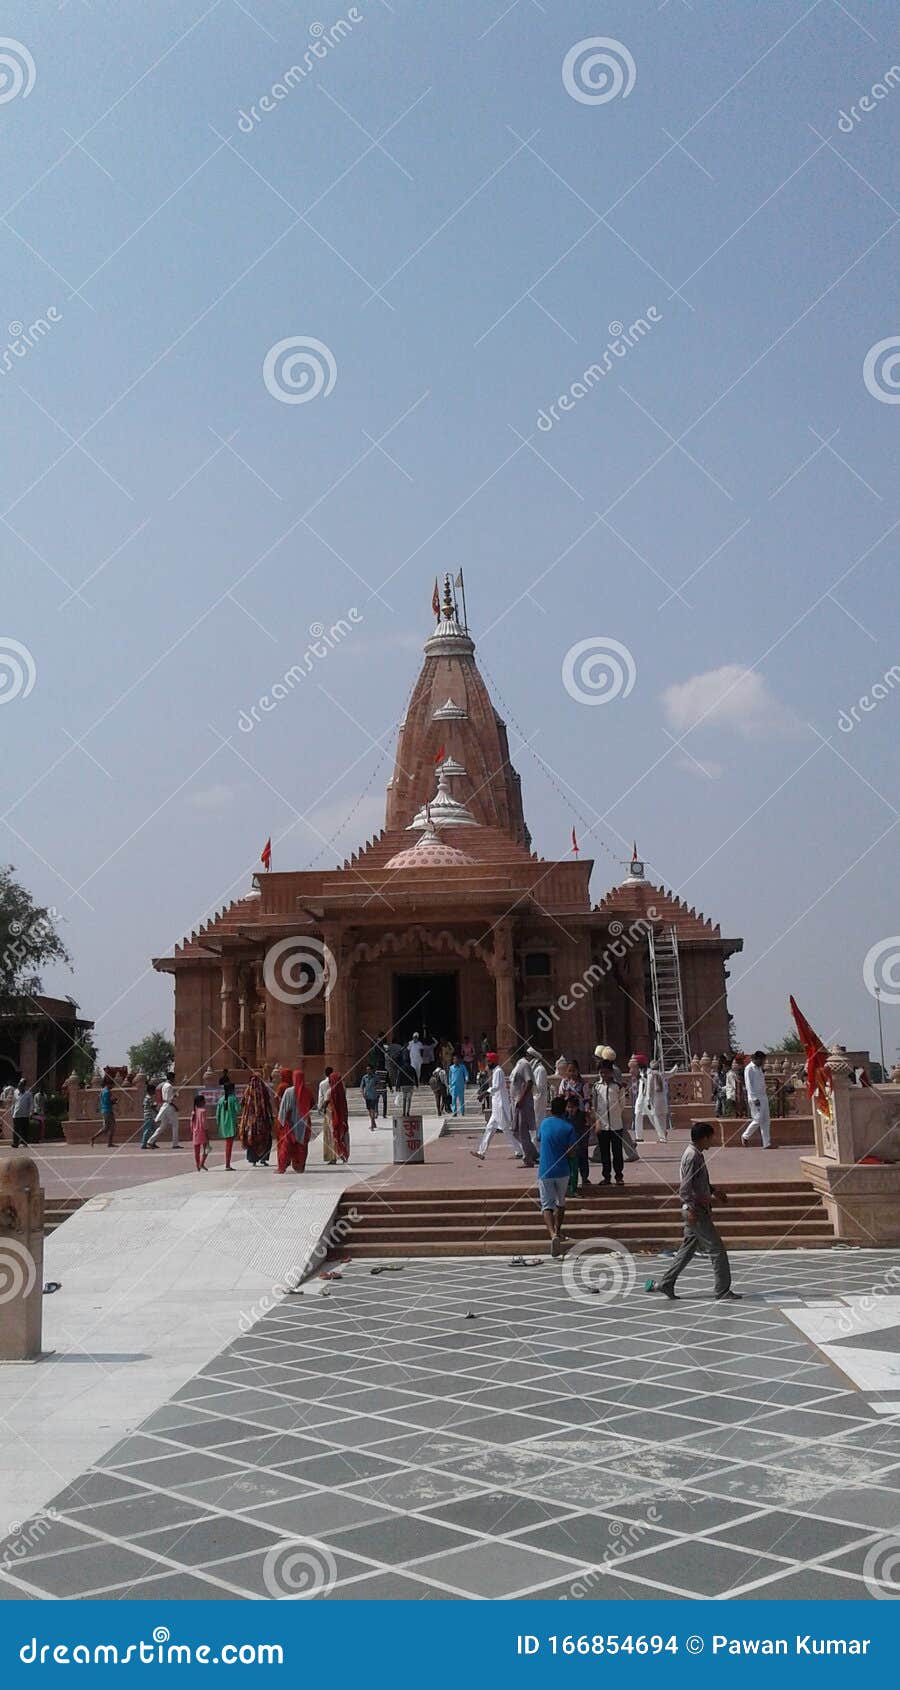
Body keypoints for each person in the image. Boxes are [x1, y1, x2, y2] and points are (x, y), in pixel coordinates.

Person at [646, 1122, 740, 1301]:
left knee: (687, 1249)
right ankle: (722, 1290)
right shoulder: (692, 1156)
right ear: (704, 1138)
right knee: (716, 1249)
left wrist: (713, 1191)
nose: (711, 1142)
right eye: (710, 1138)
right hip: (696, 1211)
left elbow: (699, 1181)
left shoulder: (696, 1154)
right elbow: (685, 1187)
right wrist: (689, 1206)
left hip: (698, 1208)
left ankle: (666, 1283)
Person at [536, 1097, 578, 1257]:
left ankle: (552, 1234)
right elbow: (572, 1151)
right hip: (563, 1170)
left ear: (551, 1109)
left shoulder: (545, 1123)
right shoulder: (568, 1127)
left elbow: (539, 1138)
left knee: (546, 1204)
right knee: (561, 1202)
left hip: (545, 1170)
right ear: (564, 1110)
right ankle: (558, 1230)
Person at [471, 1053, 522, 1161]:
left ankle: (520, 1151)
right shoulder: (495, 1072)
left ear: (493, 1061)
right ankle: (481, 1152)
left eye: (489, 1061)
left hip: (500, 1106)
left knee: (506, 1129)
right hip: (496, 1106)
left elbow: (496, 1087)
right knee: (490, 1128)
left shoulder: (498, 1071)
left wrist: (484, 1093)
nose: (487, 1063)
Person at [593, 1058, 626, 1185]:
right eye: (601, 1073)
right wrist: (597, 1121)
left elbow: (622, 1104)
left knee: (617, 1152)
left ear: (611, 1072)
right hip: (603, 1125)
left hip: (616, 1124)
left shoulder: (617, 1087)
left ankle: (619, 1176)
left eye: (606, 1072)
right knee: (604, 1152)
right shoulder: (597, 1087)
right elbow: (595, 1105)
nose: (604, 1075)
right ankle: (606, 1176)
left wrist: (615, 1114)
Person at [277, 1068, 312, 1173]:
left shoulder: (289, 1091)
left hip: (290, 1123)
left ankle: (282, 1167)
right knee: (302, 1146)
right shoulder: (307, 1091)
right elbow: (311, 1105)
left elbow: (283, 1108)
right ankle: (300, 1166)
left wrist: (282, 1122)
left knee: (286, 1146)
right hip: (304, 1123)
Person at [509, 1049, 538, 1166]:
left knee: (522, 1131)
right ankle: (533, 1153)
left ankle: (528, 1159)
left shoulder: (524, 1064)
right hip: (516, 1103)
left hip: (523, 1103)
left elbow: (529, 1082)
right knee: (516, 1131)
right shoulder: (517, 1066)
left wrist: (521, 1098)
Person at [239, 1073, 273, 1166]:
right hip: (262, 1120)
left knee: (251, 1139)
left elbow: (242, 1103)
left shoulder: (247, 1090)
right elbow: (267, 1104)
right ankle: (263, 1159)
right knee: (265, 1138)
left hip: (250, 1122)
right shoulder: (263, 1089)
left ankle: (253, 1160)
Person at [742, 1050, 771, 1148]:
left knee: (766, 1120)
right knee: (758, 1119)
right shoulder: (749, 1068)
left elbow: (760, 1083)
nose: (763, 1062)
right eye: (762, 1060)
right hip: (755, 1097)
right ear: (756, 1059)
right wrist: (754, 1098)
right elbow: (749, 1085)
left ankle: (767, 1143)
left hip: (763, 1096)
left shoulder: (759, 1069)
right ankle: (745, 1136)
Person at [635, 1060, 668, 1145]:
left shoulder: (651, 1073)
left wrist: (648, 1099)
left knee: (655, 1117)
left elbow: (649, 1087)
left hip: (650, 1099)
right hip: (643, 1098)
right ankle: (639, 1136)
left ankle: (662, 1134)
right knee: (638, 1114)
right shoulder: (640, 1072)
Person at [148, 1070, 180, 1148]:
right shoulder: (169, 1086)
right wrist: (175, 1105)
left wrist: (173, 1096)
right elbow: (169, 1099)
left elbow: (165, 1097)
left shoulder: (164, 1085)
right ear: (172, 1078)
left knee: (163, 1125)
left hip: (164, 1106)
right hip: (169, 1106)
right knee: (175, 1125)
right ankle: (175, 1144)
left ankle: (150, 1141)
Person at [216, 1080, 240, 1168]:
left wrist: (218, 1124)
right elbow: (238, 1110)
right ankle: (227, 1164)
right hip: (231, 1125)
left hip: (223, 1125)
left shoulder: (220, 1100)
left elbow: (217, 1114)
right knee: (229, 1146)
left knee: (228, 1144)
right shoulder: (233, 1099)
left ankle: (228, 1164)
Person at [329, 1069, 351, 1163]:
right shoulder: (341, 1089)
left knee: (338, 1135)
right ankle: (344, 1154)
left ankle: (342, 1153)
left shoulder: (333, 1091)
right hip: (342, 1116)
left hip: (337, 1117)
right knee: (342, 1134)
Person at [527, 1046, 549, 1127]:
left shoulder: (540, 1069)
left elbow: (538, 1088)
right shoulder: (533, 1069)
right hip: (532, 1099)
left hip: (537, 1100)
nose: (527, 1058)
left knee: (538, 1120)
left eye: (528, 1056)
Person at [92, 1076, 117, 1147]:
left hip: (106, 1110)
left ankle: (109, 1142)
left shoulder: (103, 1091)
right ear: (108, 1084)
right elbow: (107, 1101)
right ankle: (94, 1138)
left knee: (109, 1127)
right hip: (107, 1110)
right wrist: (114, 1101)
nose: (113, 1086)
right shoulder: (107, 1091)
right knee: (108, 1127)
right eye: (112, 1085)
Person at [318, 1066, 336, 1163]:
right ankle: (338, 1154)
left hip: (328, 1111)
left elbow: (321, 1098)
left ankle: (331, 1156)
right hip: (337, 1111)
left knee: (329, 1134)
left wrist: (320, 1108)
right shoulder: (338, 1084)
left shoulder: (323, 1084)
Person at [11, 1078, 33, 1147]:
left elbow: (31, 1104)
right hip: (16, 1114)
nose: (19, 1087)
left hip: (25, 1115)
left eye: (21, 1086)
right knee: (16, 1130)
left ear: (24, 1086)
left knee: (24, 1129)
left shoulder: (28, 1094)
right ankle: (15, 1143)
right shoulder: (15, 1092)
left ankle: (24, 1142)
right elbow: (13, 1103)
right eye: (19, 1086)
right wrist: (12, 1112)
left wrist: (31, 1112)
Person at [395, 1045, 416, 1116]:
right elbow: (415, 1076)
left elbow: (399, 1077)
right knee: (409, 1100)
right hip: (410, 1085)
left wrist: (397, 1086)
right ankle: (408, 1112)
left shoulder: (401, 1068)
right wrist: (416, 1084)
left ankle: (403, 1112)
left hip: (403, 1086)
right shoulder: (412, 1068)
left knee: (404, 1099)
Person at [190, 1092, 209, 1170]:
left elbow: (191, 1123)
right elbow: (204, 1123)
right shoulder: (203, 1111)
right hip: (202, 1132)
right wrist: (207, 1132)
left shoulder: (193, 1112)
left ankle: (198, 1165)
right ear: (201, 1102)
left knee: (196, 1151)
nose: (205, 1102)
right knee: (207, 1149)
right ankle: (202, 1163)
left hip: (195, 1133)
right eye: (204, 1100)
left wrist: (192, 1131)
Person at [140, 1080, 159, 1149]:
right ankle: (143, 1144)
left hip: (149, 1115)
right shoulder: (149, 1098)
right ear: (150, 1090)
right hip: (149, 1116)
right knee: (148, 1130)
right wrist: (157, 1110)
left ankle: (152, 1142)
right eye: (154, 1090)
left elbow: (143, 1105)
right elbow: (152, 1106)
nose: (154, 1092)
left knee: (154, 1129)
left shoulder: (146, 1098)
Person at [361, 1064, 380, 1130]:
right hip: (367, 1096)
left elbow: (379, 1083)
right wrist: (363, 1093)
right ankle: (373, 1122)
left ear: (371, 1070)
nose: (368, 1070)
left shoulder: (375, 1077)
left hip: (373, 1096)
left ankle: (372, 1125)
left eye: (369, 1069)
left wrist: (376, 1086)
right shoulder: (364, 1077)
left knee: (372, 1110)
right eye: (367, 1069)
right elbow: (362, 1086)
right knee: (369, 1110)